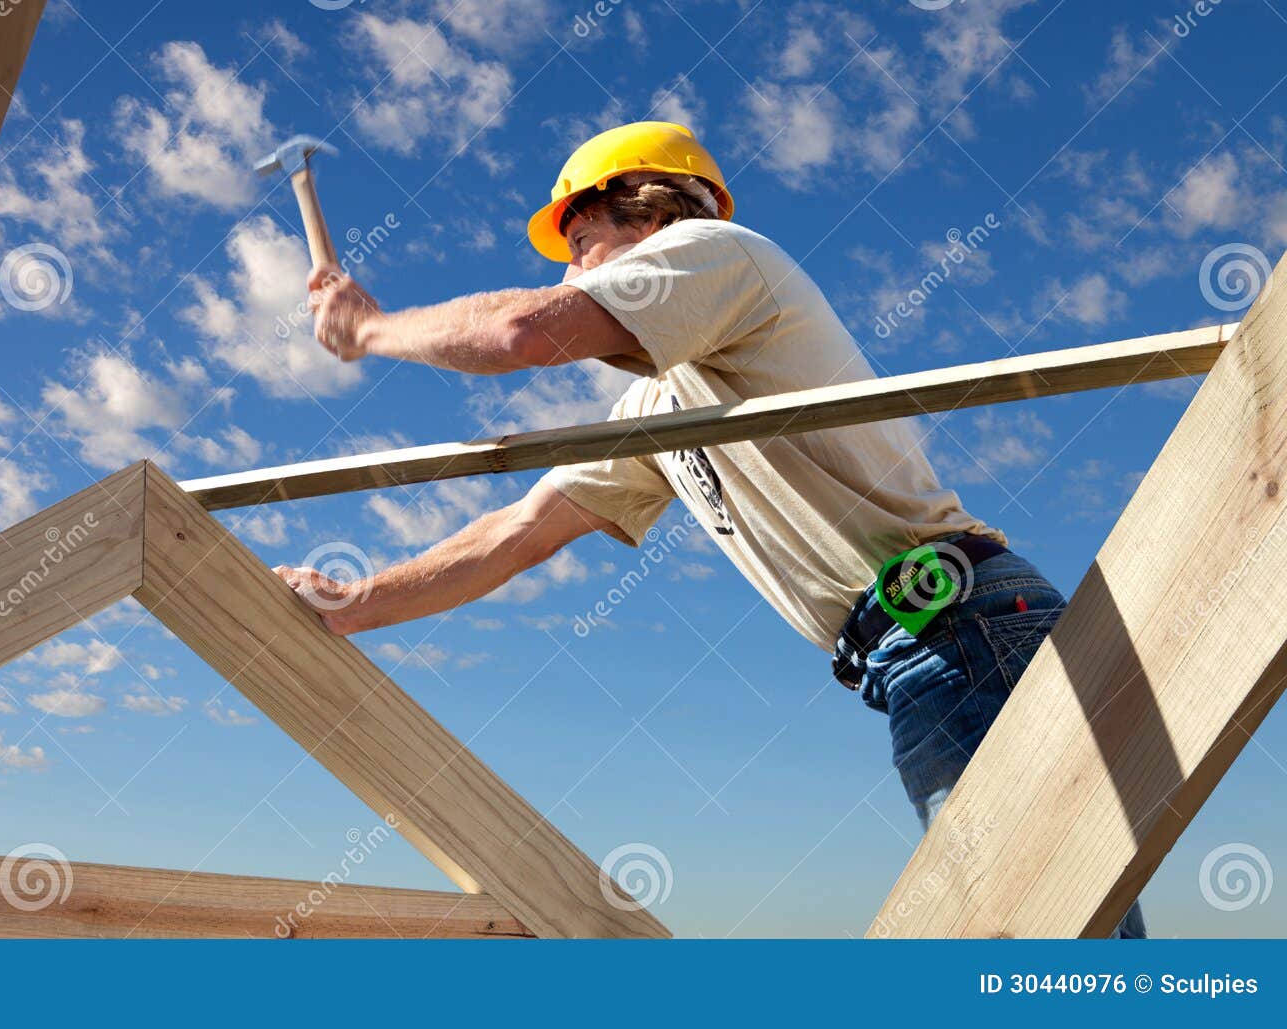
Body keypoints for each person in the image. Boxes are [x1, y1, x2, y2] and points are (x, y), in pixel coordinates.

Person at [276, 121, 1146, 937]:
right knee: (1058, 931)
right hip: (922, 646)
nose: (572, 273)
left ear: (650, 210)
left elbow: (517, 331)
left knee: (1030, 927)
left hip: (961, 627)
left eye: (581, 243)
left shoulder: (718, 254)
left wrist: (371, 327)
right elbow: (518, 531)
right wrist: (354, 602)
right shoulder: (659, 404)